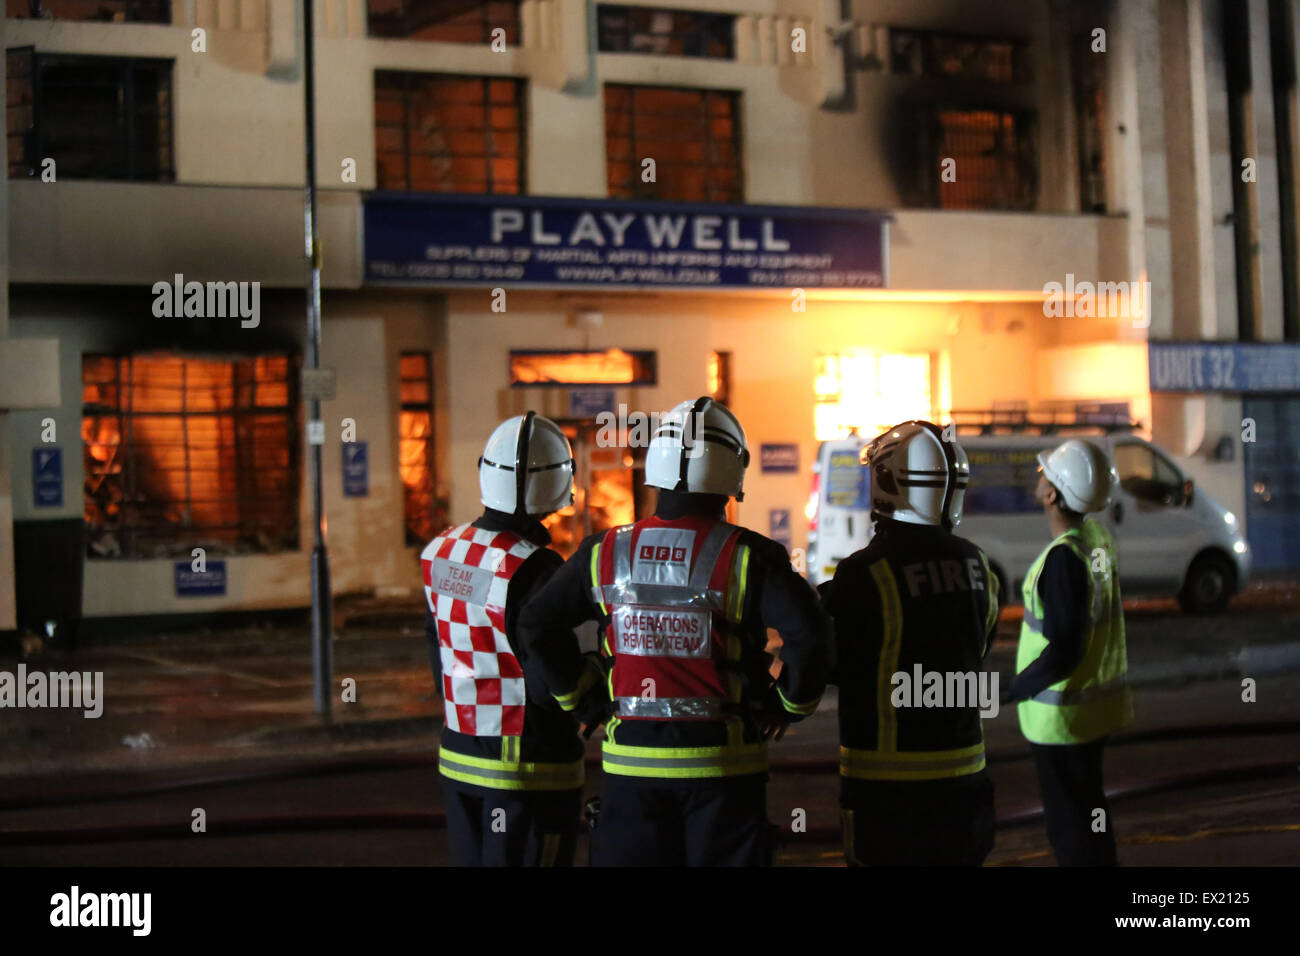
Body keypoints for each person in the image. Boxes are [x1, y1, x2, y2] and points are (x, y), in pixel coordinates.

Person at [516, 396, 831, 866]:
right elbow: (810, 636)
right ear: (733, 473)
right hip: (725, 773)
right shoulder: (751, 556)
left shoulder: (603, 552)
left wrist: (583, 698)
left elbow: (536, 624)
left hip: (630, 774)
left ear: (657, 468)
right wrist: (788, 704)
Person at [821, 421, 1000, 866]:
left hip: (887, 790)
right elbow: (980, 642)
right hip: (965, 781)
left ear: (886, 483)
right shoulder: (977, 563)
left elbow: (829, 657)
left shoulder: (864, 572)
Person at [420, 412, 583, 866]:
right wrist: (587, 701)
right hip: (526, 772)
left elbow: (441, 661)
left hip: (458, 760)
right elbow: (550, 676)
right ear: (557, 483)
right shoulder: (538, 568)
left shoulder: (441, 552)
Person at [1002, 439, 1133, 866]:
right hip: (1094, 711)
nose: (1039, 479)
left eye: (1046, 475)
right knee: (1090, 816)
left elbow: (1064, 650)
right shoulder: (1095, 539)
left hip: (1062, 720)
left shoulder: (1061, 560)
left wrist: (1014, 689)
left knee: (1070, 827)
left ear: (1053, 495)